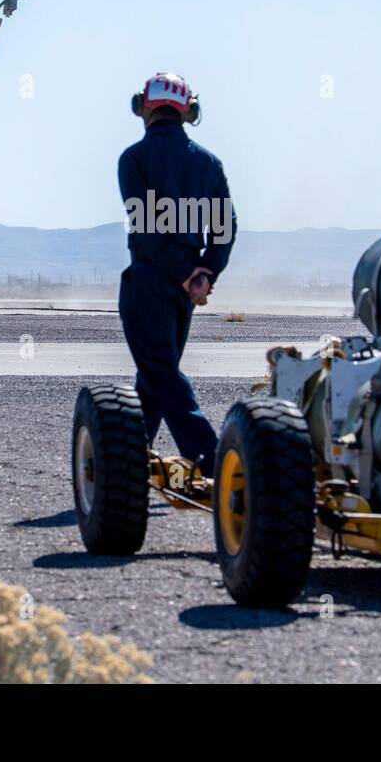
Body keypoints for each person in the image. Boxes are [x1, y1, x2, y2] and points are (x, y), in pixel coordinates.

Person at [118, 72, 237, 482]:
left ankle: (213, 459)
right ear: (189, 111)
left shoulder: (133, 159)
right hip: (185, 288)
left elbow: (146, 227)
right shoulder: (208, 163)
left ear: (144, 108)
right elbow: (225, 227)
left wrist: (189, 273)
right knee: (154, 375)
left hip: (151, 279)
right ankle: (132, 463)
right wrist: (204, 273)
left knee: (161, 373)